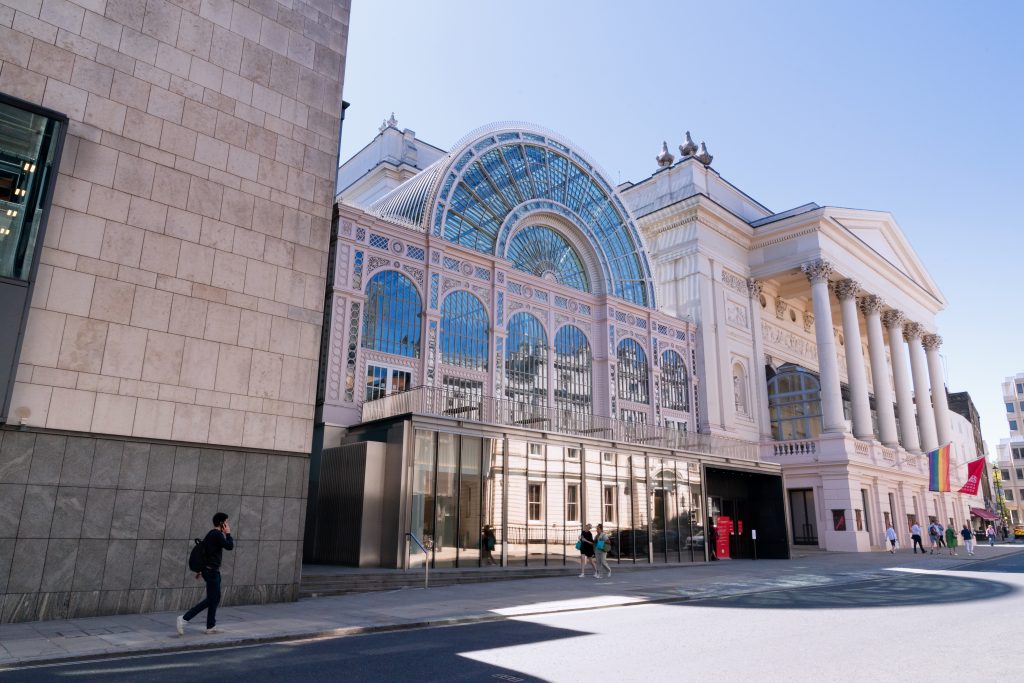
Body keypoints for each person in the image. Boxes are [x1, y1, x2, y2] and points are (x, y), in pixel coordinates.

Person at [177, 512, 234, 635]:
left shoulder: (211, 534)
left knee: (215, 598)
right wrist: (228, 533)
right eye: (226, 522)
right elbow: (230, 546)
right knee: (211, 599)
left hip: (211, 571)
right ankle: (184, 619)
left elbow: (206, 553)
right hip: (211, 571)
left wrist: (201, 569)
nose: (227, 524)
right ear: (221, 523)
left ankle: (210, 626)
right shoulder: (217, 534)